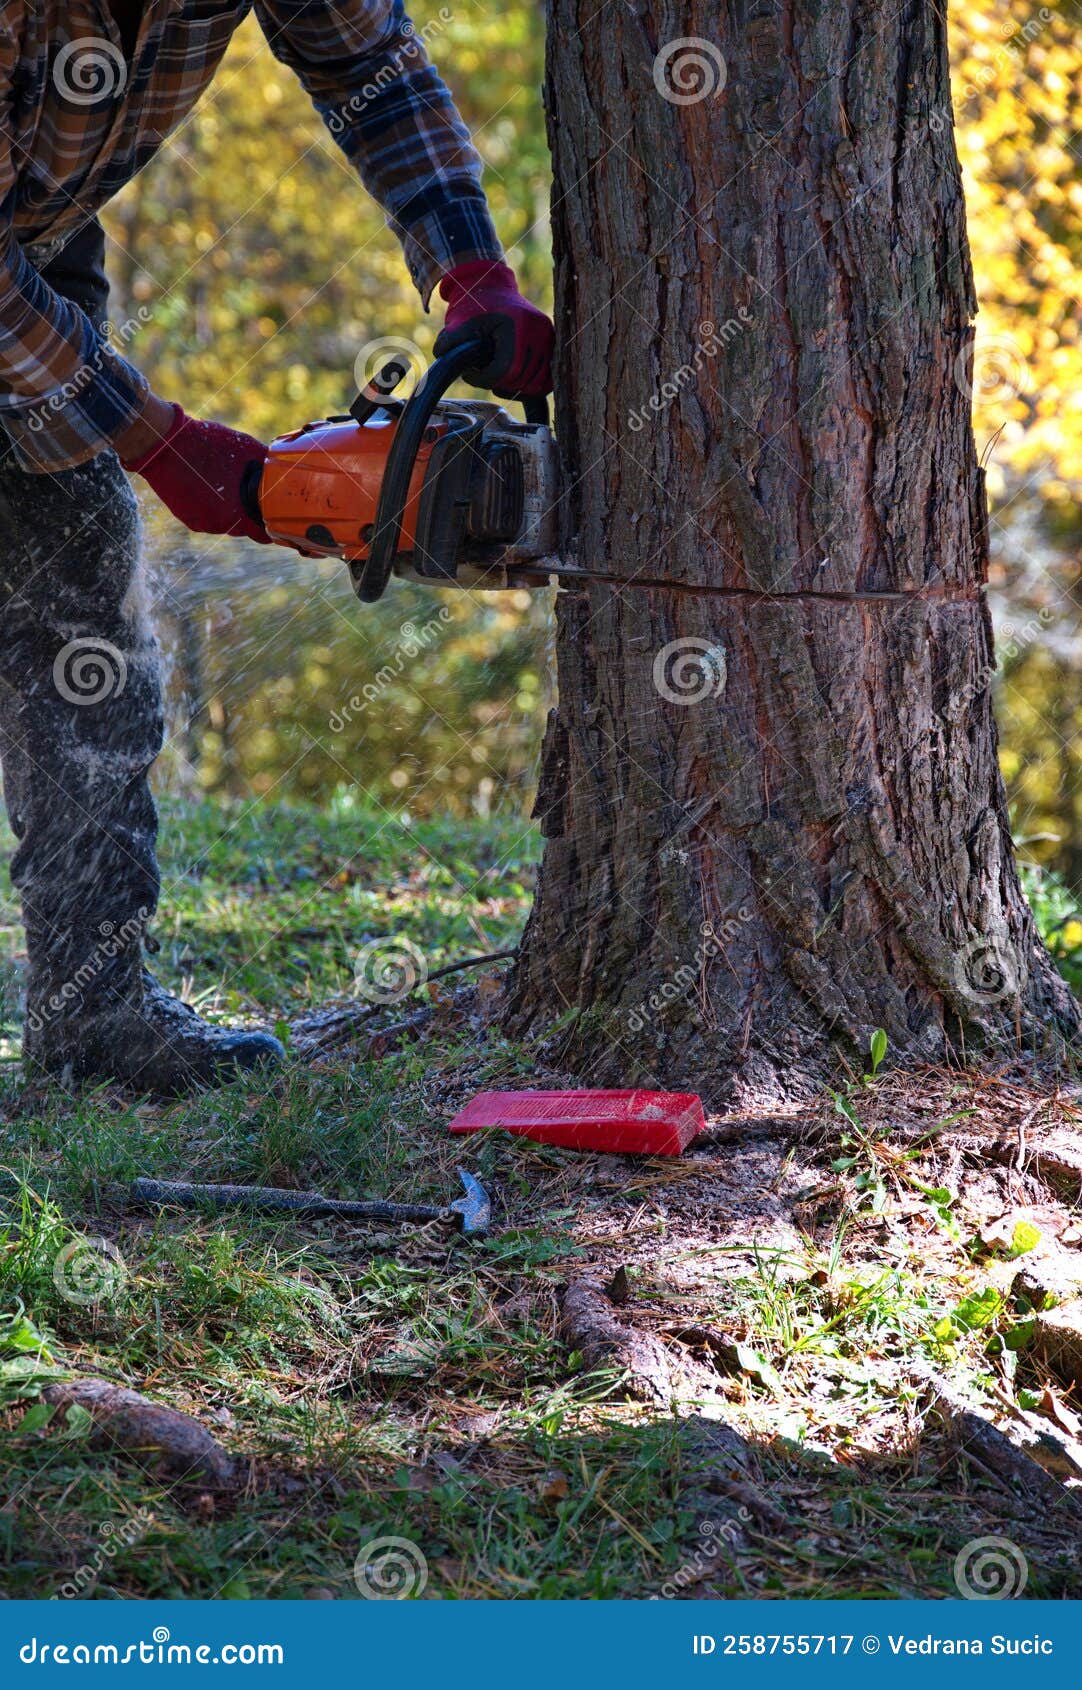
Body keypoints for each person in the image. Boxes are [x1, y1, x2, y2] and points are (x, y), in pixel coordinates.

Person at [0, 0, 554, 1095]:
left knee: (83, 617)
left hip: (38, 246)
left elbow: (372, 65)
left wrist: (469, 268)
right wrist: (160, 438)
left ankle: (93, 1018)